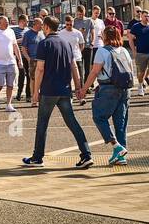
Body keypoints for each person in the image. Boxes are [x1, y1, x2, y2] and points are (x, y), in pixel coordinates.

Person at [22, 16, 93, 169]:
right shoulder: (66, 44)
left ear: (47, 27)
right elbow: (74, 67)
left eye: (43, 27)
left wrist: (35, 92)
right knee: (72, 122)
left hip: (49, 90)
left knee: (42, 124)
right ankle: (86, 154)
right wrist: (79, 88)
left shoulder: (44, 44)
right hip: (65, 90)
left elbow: (40, 69)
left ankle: (37, 157)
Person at [78, 24, 135, 164]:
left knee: (99, 117)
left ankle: (116, 146)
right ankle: (121, 157)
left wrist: (84, 89)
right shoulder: (124, 51)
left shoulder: (102, 51)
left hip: (108, 88)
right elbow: (131, 71)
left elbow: (94, 72)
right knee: (120, 124)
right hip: (125, 90)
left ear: (106, 37)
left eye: (102, 34)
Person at [0, 15, 21, 112]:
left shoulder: (11, 31)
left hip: (11, 62)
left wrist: (19, 60)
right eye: (5, 22)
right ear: (0, 22)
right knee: (0, 82)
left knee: (11, 84)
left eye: (8, 22)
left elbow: (15, 45)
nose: (7, 23)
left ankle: (8, 104)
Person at [61, 14, 86, 102]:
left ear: (73, 23)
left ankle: (81, 97)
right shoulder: (61, 33)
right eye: (67, 24)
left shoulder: (77, 33)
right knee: (67, 78)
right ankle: (70, 97)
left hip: (77, 58)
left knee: (79, 78)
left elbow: (82, 44)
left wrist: (78, 52)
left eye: (70, 24)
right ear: (65, 23)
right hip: (66, 59)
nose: (69, 26)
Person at [19, 17, 43, 102]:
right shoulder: (27, 34)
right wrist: (29, 59)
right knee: (33, 79)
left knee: (41, 79)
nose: (42, 25)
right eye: (41, 24)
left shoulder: (41, 33)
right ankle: (34, 97)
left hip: (42, 60)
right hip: (33, 60)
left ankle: (40, 96)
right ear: (36, 24)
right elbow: (23, 48)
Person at [126, 9, 149, 95]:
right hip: (141, 53)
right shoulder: (136, 26)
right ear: (141, 16)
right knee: (141, 72)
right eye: (145, 16)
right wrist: (134, 51)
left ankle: (145, 78)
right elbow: (130, 40)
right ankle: (140, 86)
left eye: (148, 16)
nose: (147, 18)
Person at [12, 14, 31, 102]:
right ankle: (19, 94)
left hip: (28, 56)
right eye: (26, 21)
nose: (28, 22)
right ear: (21, 21)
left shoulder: (28, 30)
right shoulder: (14, 30)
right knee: (22, 74)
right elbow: (13, 42)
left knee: (29, 75)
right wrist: (23, 39)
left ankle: (28, 95)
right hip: (20, 56)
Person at [74, 5, 94, 85]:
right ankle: (81, 85)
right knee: (79, 67)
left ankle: (87, 85)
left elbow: (92, 32)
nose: (80, 16)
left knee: (87, 68)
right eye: (78, 14)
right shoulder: (74, 21)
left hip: (88, 46)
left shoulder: (89, 21)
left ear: (84, 12)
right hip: (78, 47)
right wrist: (78, 31)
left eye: (81, 14)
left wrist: (92, 42)